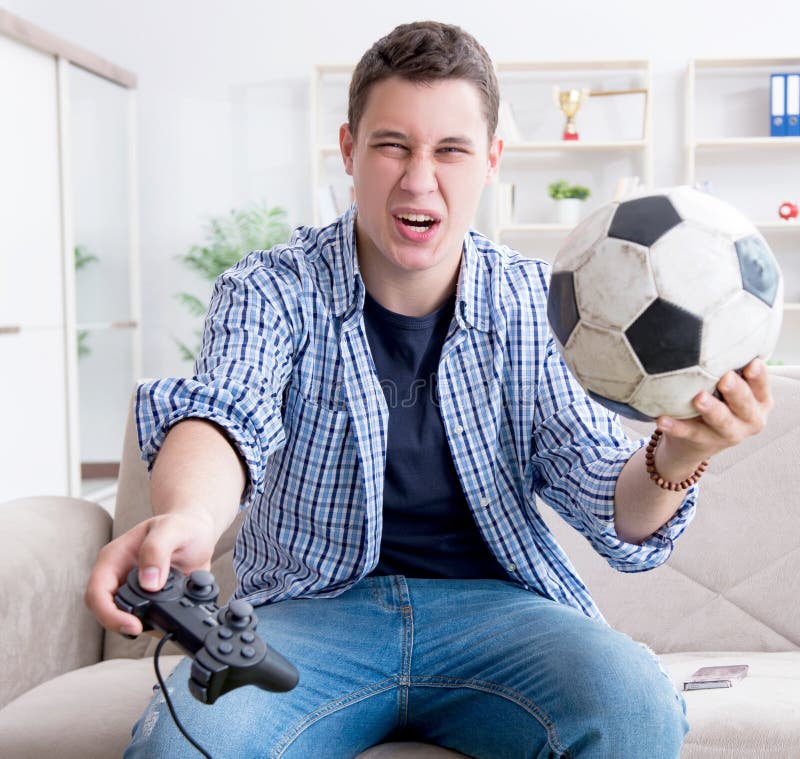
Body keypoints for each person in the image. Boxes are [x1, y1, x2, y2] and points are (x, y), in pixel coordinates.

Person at [85, 20, 773, 758]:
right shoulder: (271, 289)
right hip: (311, 616)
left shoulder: (538, 305)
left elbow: (614, 506)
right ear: (349, 152)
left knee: (635, 712)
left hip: (500, 614)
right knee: (180, 744)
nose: (420, 179)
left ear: (491, 161)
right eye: (392, 146)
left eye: (451, 149)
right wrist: (189, 514)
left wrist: (678, 451)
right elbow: (224, 414)